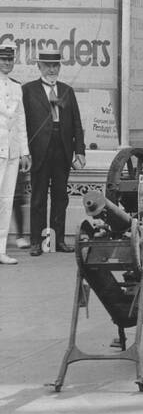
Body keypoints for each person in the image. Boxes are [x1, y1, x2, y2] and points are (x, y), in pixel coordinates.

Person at [22, 50, 85, 256]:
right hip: (39, 150)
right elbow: (22, 124)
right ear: (39, 66)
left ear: (60, 67)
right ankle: (36, 242)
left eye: (55, 65)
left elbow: (76, 123)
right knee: (38, 197)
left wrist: (80, 151)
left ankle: (57, 241)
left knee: (60, 197)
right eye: (47, 65)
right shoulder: (28, 90)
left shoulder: (67, 90)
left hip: (62, 150)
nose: (52, 69)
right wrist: (25, 151)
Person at [0, 39, 31, 265]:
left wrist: (24, 152)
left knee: (7, 200)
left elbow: (21, 121)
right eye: (3, 59)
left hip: (11, 152)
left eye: (10, 59)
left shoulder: (16, 87)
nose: (7, 62)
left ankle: (0, 250)